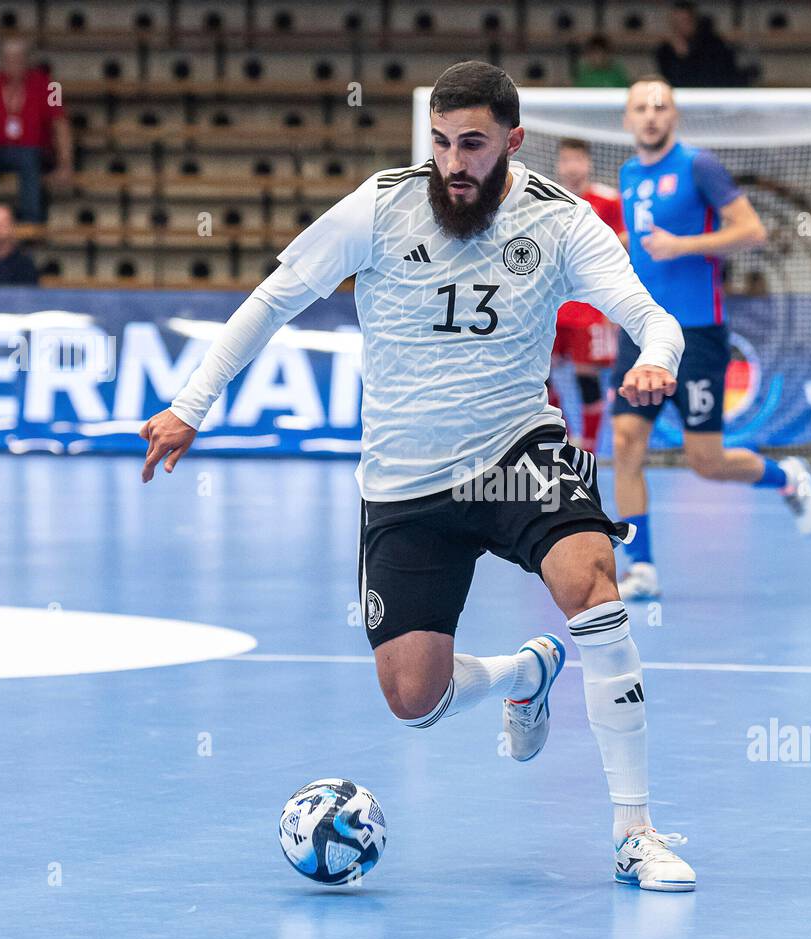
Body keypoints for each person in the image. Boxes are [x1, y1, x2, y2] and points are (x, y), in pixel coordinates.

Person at [140, 62, 698, 891]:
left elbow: (652, 316)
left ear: (512, 140)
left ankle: (634, 830)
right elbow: (275, 297)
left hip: (516, 452)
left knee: (595, 584)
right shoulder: (381, 203)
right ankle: (524, 673)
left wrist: (655, 361)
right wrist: (192, 403)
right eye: (440, 142)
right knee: (414, 698)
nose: (453, 162)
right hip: (405, 482)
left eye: (472, 144)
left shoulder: (560, 220)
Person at [613, 77, 811, 601]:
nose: (651, 116)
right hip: (640, 328)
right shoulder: (629, 173)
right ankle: (641, 567)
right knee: (624, 442)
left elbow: (752, 231)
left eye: (661, 106)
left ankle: (786, 479)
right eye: (641, 107)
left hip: (697, 333)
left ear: (674, 115)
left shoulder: (699, 165)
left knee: (705, 460)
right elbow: (642, 246)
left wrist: (684, 245)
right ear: (627, 119)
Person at [548, 138, 625, 451]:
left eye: (577, 160)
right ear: (558, 164)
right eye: (566, 160)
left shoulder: (607, 201)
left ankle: (589, 451)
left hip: (590, 306)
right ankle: (563, 440)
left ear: (589, 163)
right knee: (539, 375)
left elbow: (623, 247)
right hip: (553, 305)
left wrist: (614, 303)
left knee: (587, 378)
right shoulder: (549, 200)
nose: (572, 167)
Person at [0, 35, 73, 223]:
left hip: (35, 151)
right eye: (7, 60)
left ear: (27, 60)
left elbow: (61, 124)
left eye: (17, 59)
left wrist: (65, 163)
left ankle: (30, 221)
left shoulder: (50, 85)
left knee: (28, 159)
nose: (12, 64)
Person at [655, 1, 750, 89]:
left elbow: (712, 79)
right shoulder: (665, 51)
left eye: (685, 21)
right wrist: (681, 56)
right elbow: (673, 82)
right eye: (676, 23)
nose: (679, 27)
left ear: (694, 21)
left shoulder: (714, 45)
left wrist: (686, 57)